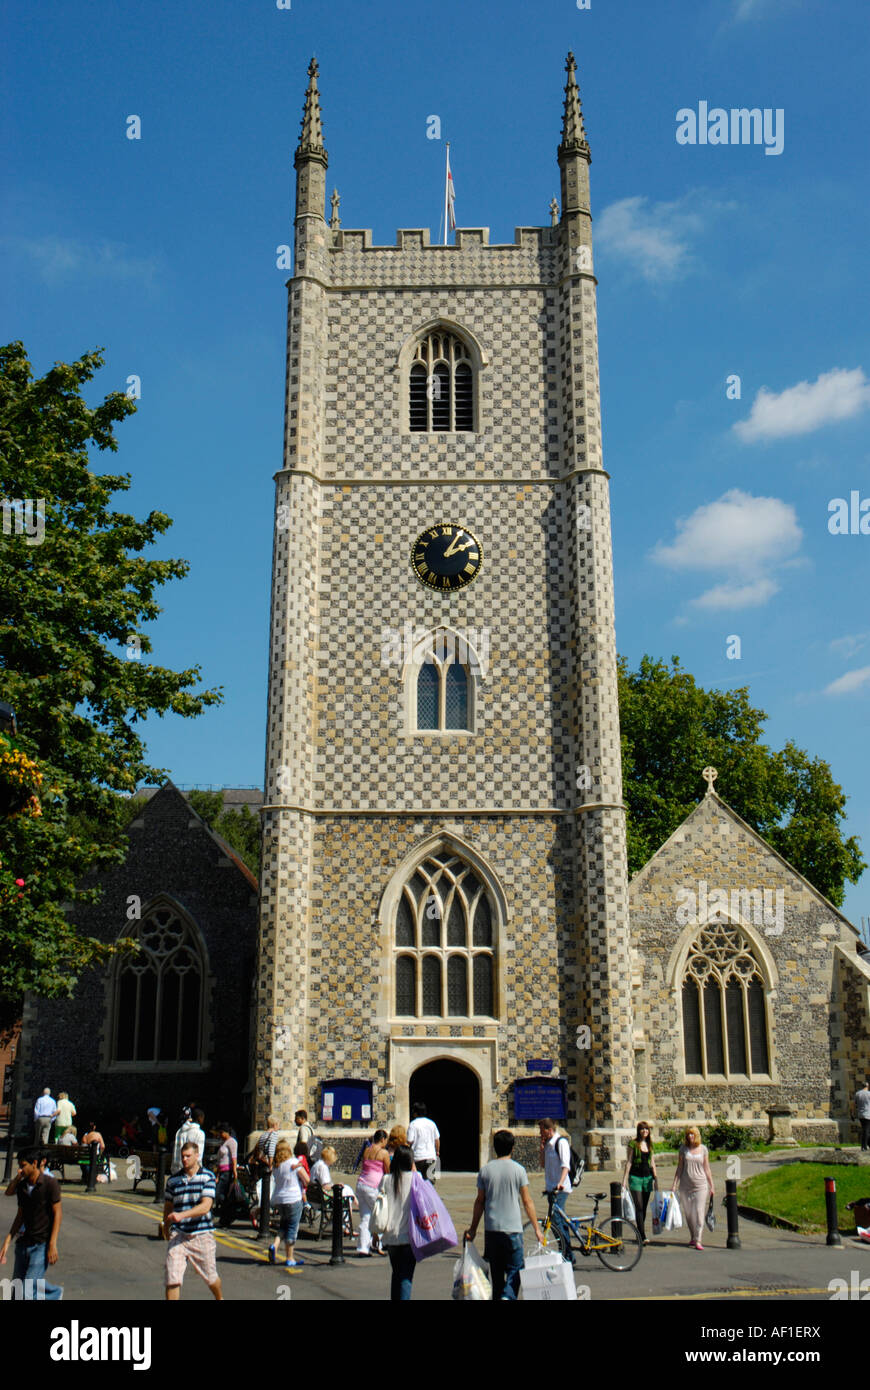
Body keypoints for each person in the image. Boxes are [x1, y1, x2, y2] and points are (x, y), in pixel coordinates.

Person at [464, 1129, 544, 1300]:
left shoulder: (485, 1171)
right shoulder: (519, 1170)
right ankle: (508, 1296)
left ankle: (502, 1295)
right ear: (512, 1148)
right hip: (513, 1228)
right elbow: (527, 1201)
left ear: (495, 1148)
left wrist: (473, 1229)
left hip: (492, 1229)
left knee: (497, 1273)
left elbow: (480, 1202)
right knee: (516, 1268)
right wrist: (537, 1228)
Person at [0, 1148, 64, 1299]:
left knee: (28, 1289)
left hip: (41, 1245)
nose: (20, 1169)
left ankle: (53, 1294)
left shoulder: (50, 1184)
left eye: (23, 1165)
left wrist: (52, 1244)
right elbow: (20, 1215)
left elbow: (58, 1214)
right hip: (23, 1243)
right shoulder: (22, 1187)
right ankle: (54, 1294)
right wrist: (8, 1240)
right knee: (17, 1289)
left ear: (34, 1163)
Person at [163, 1140, 222, 1300]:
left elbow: (206, 1206)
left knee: (211, 1278)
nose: (184, 1159)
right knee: (172, 1278)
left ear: (197, 1156)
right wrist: (165, 1225)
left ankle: (219, 1297)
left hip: (201, 1234)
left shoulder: (207, 1177)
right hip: (179, 1234)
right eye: (182, 1156)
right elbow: (168, 1206)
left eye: (188, 1156)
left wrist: (181, 1215)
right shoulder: (173, 1181)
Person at [378, 1143, 417, 1300]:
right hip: (409, 1236)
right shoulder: (416, 1178)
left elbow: (379, 1206)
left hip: (391, 1236)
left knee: (397, 1274)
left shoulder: (387, 1179)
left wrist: (375, 1233)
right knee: (406, 1278)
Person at [673, 1125, 714, 1250]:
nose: (690, 1136)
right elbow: (679, 1168)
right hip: (685, 1185)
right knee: (689, 1214)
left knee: (699, 1212)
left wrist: (711, 1185)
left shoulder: (703, 1149)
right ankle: (693, 1236)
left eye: (692, 1134)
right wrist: (674, 1184)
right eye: (688, 1134)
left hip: (701, 1185)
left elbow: (707, 1168)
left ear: (697, 1136)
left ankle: (698, 1240)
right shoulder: (683, 1150)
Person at [269, 1138, 309, 1268]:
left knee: (283, 1225)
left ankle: (274, 1245)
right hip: (293, 1199)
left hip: (279, 1200)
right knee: (292, 1227)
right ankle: (290, 1257)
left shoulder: (276, 1166)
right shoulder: (293, 1162)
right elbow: (307, 1180)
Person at [538, 1117, 573, 1252]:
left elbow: (566, 1166)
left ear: (549, 1130)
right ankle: (566, 1250)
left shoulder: (561, 1142)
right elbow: (543, 1164)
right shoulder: (548, 1145)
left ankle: (566, 1252)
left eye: (542, 1131)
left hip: (561, 1188)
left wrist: (560, 1183)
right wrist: (541, 1149)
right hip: (551, 1188)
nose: (540, 1134)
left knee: (556, 1219)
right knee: (558, 1220)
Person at [622, 1121, 658, 1243]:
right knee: (639, 1206)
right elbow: (629, 1161)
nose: (645, 1131)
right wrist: (624, 1180)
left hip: (647, 1178)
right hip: (635, 1178)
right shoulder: (633, 1143)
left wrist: (655, 1179)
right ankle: (642, 1235)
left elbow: (652, 1162)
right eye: (642, 1129)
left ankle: (639, 1232)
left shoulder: (649, 1144)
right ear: (639, 1131)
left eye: (646, 1129)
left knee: (644, 1207)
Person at [356, 1129, 390, 1257]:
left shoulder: (366, 1150)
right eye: (386, 1140)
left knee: (366, 1217)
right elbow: (388, 1170)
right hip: (373, 1187)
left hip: (361, 1184)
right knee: (381, 1216)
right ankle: (379, 1244)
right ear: (382, 1139)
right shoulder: (383, 1153)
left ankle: (363, 1248)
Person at [407, 1102, 441, 1182]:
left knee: (418, 1182)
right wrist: (437, 1152)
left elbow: (409, 1141)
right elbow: (437, 1139)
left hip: (418, 1157)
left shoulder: (413, 1124)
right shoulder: (432, 1123)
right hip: (430, 1157)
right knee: (430, 1183)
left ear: (415, 1113)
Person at [171, 1107, 206, 1174]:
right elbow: (198, 1155)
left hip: (177, 1170)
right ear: (200, 1118)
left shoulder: (180, 1131)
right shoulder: (200, 1133)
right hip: (192, 1172)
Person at [214, 1122, 238, 1210]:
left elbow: (234, 1156)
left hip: (227, 1171)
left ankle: (225, 1208)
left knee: (220, 1192)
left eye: (221, 1133)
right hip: (221, 1171)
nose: (220, 1135)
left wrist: (235, 1170)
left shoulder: (232, 1142)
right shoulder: (223, 1142)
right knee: (220, 1192)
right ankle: (224, 1208)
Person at [854, 1079, 870, 1151]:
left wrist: (852, 1113)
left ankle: (864, 1146)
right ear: (867, 1086)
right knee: (866, 1130)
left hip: (860, 1114)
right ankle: (864, 1146)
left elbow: (854, 1104)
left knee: (865, 1130)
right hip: (868, 1114)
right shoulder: (869, 1094)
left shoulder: (857, 1094)